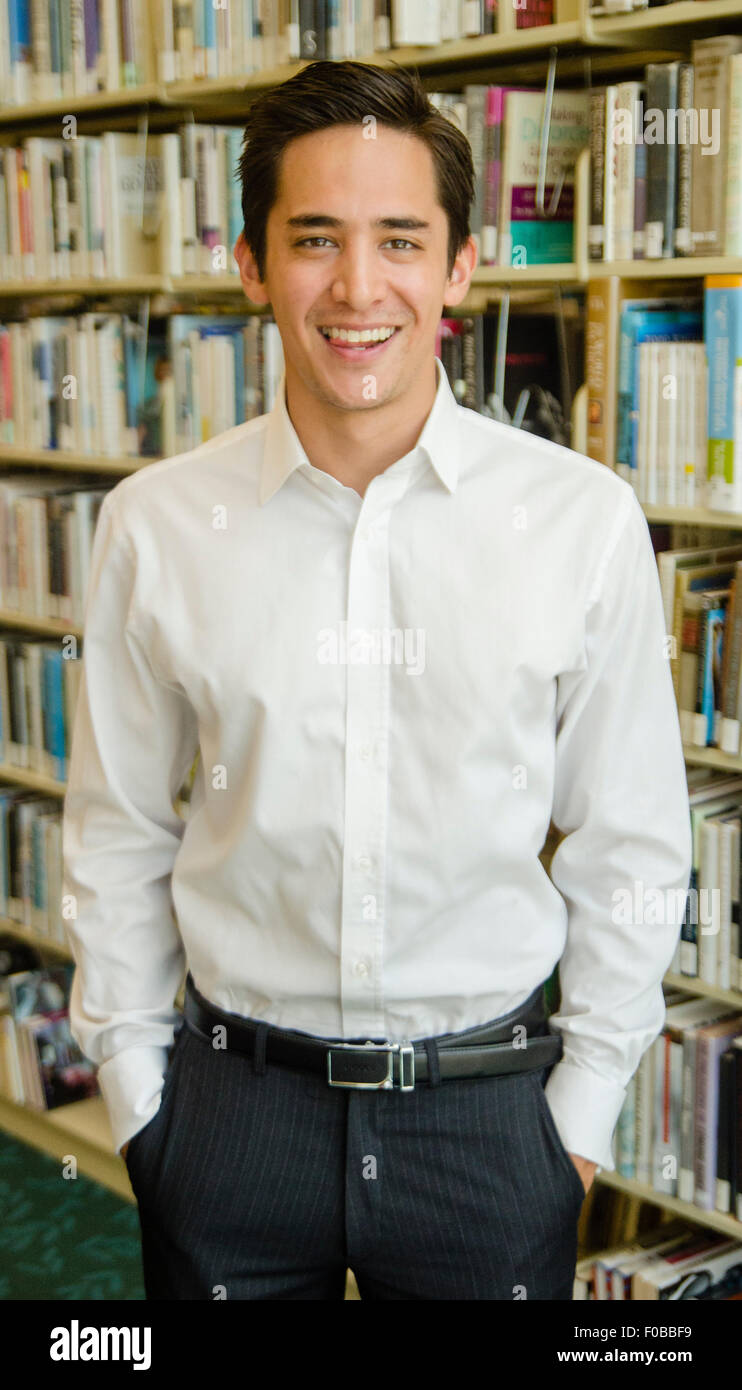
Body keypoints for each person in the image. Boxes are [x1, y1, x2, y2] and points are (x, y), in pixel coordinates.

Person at [62, 59, 692, 1301]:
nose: (359, 288)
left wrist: (577, 1120)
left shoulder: (582, 522)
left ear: (460, 266)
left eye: (401, 239)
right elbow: (118, 832)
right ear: (251, 264)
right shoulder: (155, 526)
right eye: (314, 240)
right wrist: (141, 1102)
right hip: (232, 1116)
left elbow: (630, 845)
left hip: (491, 1121)